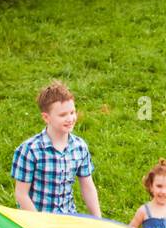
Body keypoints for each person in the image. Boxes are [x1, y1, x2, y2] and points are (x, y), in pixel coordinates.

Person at [11, 80, 101, 216]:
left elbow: (87, 186)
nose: (70, 118)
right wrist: (40, 225)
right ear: (46, 118)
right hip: (36, 219)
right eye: (63, 115)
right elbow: (21, 194)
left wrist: (98, 219)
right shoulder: (30, 150)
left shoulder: (80, 147)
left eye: (72, 112)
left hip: (67, 218)